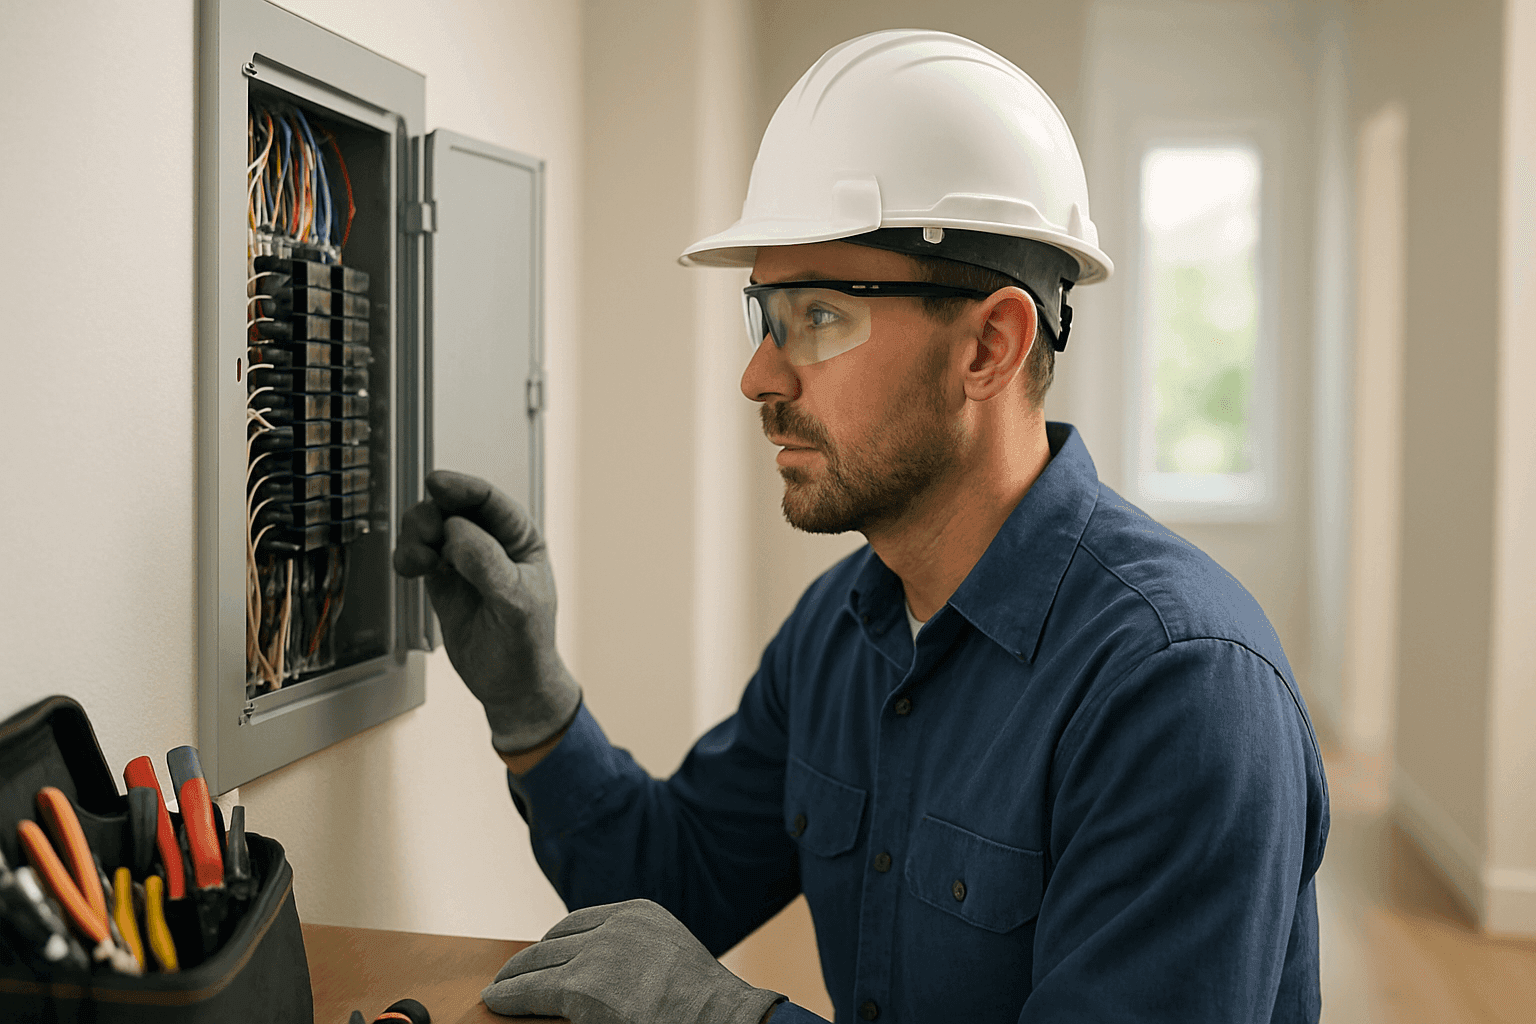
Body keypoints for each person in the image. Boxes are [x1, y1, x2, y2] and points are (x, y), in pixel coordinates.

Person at [393, 29, 1328, 1024]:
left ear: (990, 346)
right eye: (763, 314)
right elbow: (672, 883)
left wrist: (729, 1019)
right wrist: (532, 696)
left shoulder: (1179, 689)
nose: (758, 375)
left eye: (821, 316)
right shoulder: (846, 626)